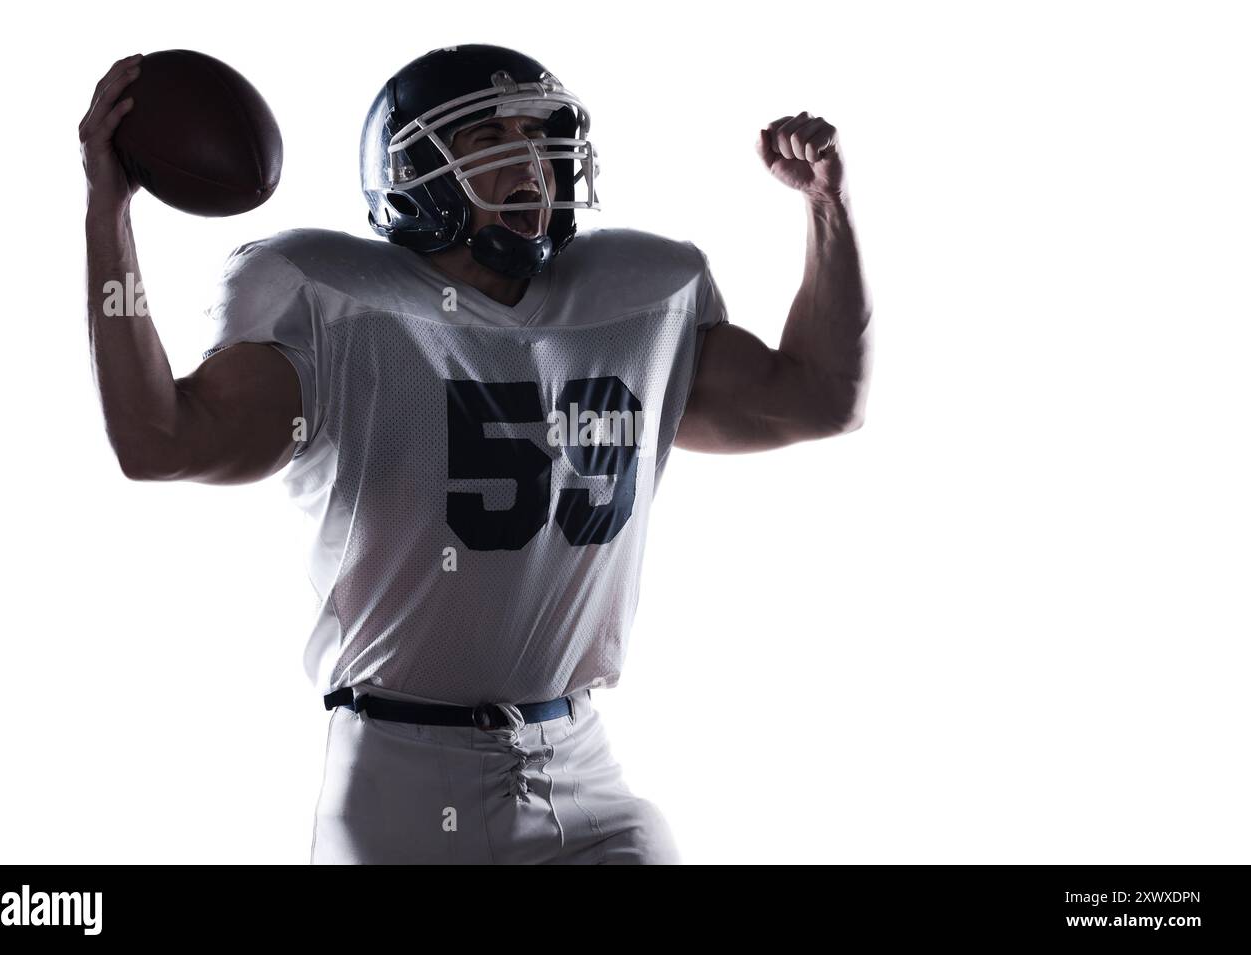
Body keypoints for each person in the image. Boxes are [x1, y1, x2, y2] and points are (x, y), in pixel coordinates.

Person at [79, 44, 871, 864]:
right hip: (405, 782)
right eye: (489, 135)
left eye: (539, 133)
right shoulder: (335, 302)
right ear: (414, 168)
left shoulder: (637, 298)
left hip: (582, 768)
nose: (530, 158)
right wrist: (110, 214)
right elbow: (158, 440)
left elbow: (822, 396)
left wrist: (830, 208)